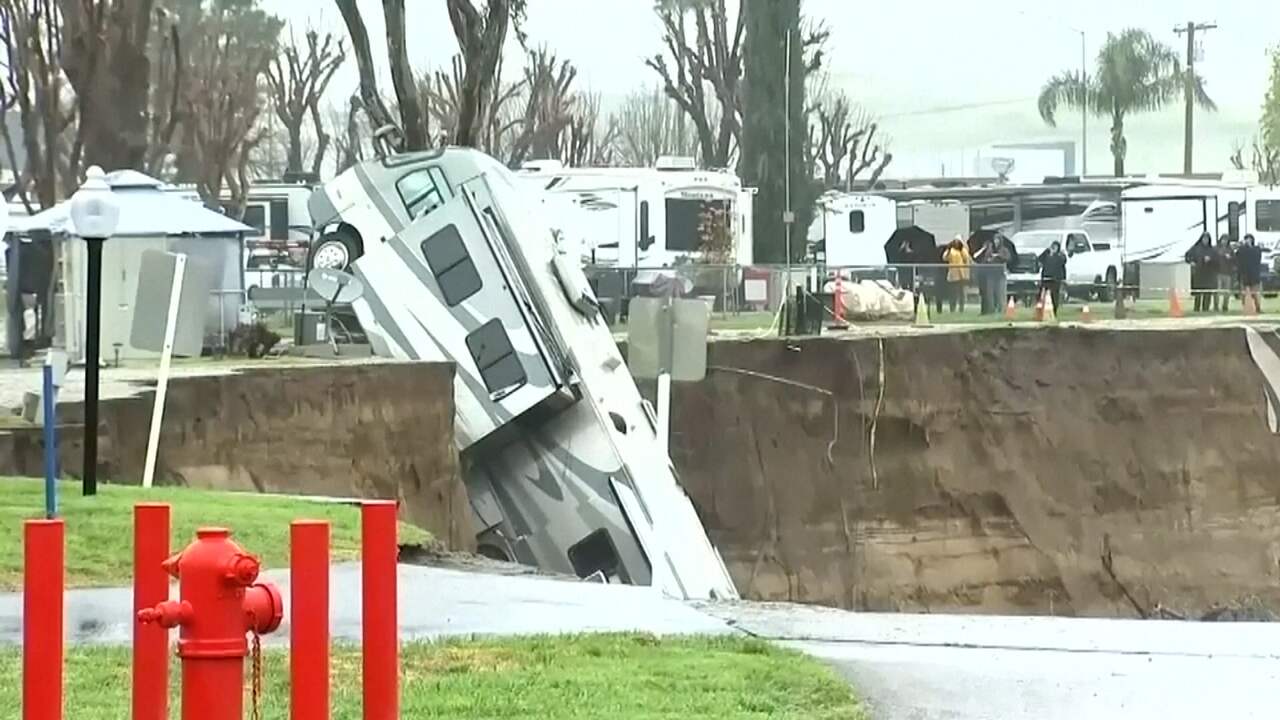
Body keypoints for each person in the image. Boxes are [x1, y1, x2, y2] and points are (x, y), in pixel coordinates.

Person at [1184, 232, 1216, 313]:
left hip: (1209, 274)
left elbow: (1216, 260)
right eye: (1204, 239)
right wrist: (1191, 262)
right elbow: (1187, 255)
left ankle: (1206, 309)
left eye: (1207, 239)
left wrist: (1210, 259)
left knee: (1207, 293)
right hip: (1198, 273)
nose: (1206, 240)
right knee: (1198, 292)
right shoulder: (1196, 248)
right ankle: (1197, 308)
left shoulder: (1211, 249)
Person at [942, 235, 972, 313]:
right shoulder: (951, 250)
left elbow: (966, 258)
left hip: (961, 275)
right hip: (952, 275)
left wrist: (962, 249)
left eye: (958, 241)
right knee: (953, 294)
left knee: (961, 293)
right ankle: (952, 308)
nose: (956, 243)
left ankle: (961, 308)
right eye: (955, 241)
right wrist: (948, 250)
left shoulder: (963, 250)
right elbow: (945, 258)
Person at [1038, 240, 1068, 314]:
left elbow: (1063, 261)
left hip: (1055, 279)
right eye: (1053, 246)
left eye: (1055, 247)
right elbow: (1040, 259)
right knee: (1043, 295)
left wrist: (1063, 279)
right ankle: (1042, 310)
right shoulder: (1046, 254)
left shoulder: (1060, 256)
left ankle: (1054, 311)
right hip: (1046, 278)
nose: (1053, 248)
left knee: (1054, 296)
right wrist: (1048, 252)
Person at [1238, 233, 1264, 314]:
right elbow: (1239, 258)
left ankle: (1258, 307)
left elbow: (1258, 257)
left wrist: (1250, 247)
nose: (1248, 240)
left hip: (1254, 274)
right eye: (1247, 239)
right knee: (1244, 293)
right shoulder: (1242, 249)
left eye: (1250, 239)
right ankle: (1245, 308)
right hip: (1244, 274)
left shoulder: (1256, 249)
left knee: (1255, 293)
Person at [1214, 234, 1235, 313]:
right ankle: (1216, 306)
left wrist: (1230, 258)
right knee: (1218, 291)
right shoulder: (1216, 248)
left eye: (1226, 240)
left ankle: (1225, 306)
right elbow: (1213, 259)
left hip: (1227, 273)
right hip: (1218, 272)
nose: (1224, 241)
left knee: (1227, 291)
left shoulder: (1230, 249)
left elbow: (1234, 260)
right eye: (1223, 239)